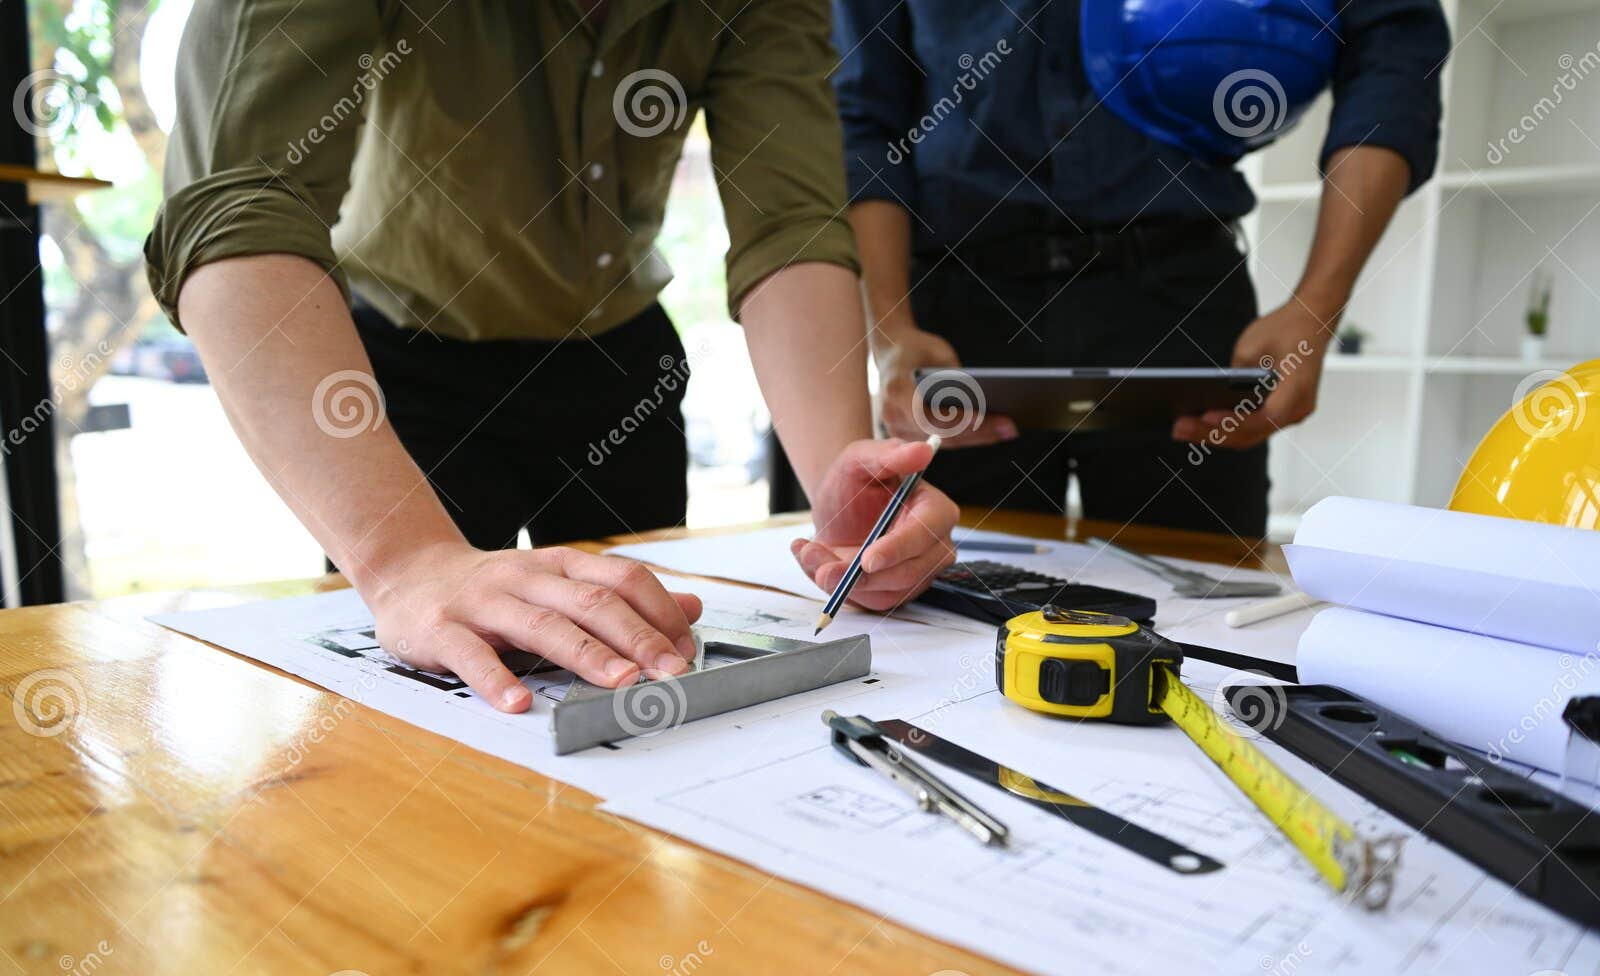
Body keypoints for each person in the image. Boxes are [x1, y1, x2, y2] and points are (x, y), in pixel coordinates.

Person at [144, 0, 957, 712]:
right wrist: (406, 561)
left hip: (619, 367)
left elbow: (789, 221)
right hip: (406, 369)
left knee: (647, 694)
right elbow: (239, 198)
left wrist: (842, 483)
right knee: (446, 712)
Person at [832, 0, 1451, 539]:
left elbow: (1393, 52)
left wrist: (1318, 305)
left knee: (1200, 628)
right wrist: (889, 332)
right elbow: (862, 116)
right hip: (956, 321)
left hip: (1178, 307)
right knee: (940, 620)